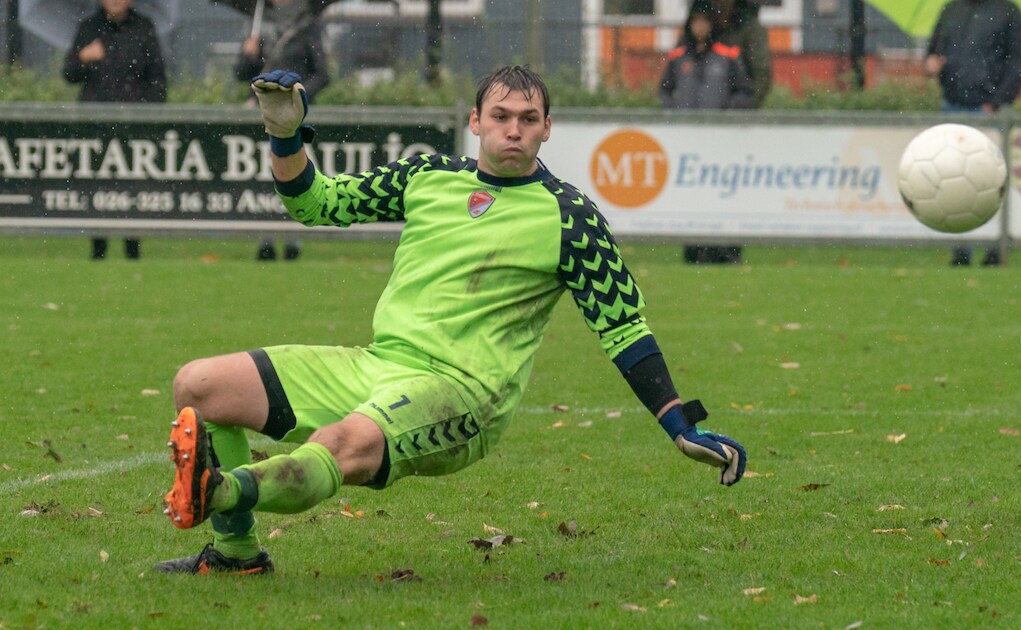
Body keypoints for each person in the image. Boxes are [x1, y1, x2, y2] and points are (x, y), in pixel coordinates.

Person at [154, 65, 747, 574]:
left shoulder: (571, 217)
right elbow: (317, 204)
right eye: (501, 115)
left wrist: (679, 425)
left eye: (528, 118)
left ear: (546, 128)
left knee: (339, 444)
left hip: (462, 395)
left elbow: (623, 330)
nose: (514, 128)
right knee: (199, 386)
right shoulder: (428, 177)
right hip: (377, 366)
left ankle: (221, 491)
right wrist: (285, 137)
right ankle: (237, 555)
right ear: (476, 121)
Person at [924, 0, 1021, 267]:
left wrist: (996, 102)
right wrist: (932, 64)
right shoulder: (950, 10)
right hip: (952, 106)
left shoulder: (1009, 12)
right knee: (955, 181)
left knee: (988, 181)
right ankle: (962, 250)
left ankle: (994, 247)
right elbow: (933, 51)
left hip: (988, 113)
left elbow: (1018, 64)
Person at [63, 0, 166, 261]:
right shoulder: (89, 27)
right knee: (97, 184)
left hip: (133, 126)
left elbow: (157, 78)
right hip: (96, 124)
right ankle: (98, 246)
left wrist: (149, 114)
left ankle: (132, 247)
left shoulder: (144, 28)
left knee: (132, 186)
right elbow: (68, 73)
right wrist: (83, 58)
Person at [234, 0, 330, 262]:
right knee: (265, 175)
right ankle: (265, 239)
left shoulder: (307, 25)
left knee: (295, 171)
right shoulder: (256, 21)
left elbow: (322, 74)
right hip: (262, 113)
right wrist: (248, 55)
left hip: (296, 116)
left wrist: (295, 100)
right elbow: (241, 74)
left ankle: (293, 239)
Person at [680, 0, 772, 265]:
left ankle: (727, 247)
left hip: (733, 128)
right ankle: (695, 245)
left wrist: (737, 112)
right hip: (697, 127)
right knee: (694, 185)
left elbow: (761, 78)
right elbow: (680, 63)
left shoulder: (748, 29)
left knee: (727, 186)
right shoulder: (701, 20)